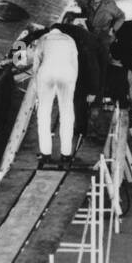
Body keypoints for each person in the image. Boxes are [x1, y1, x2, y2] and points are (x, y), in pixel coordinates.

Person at [27, 27, 79, 169]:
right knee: (67, 113)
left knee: (43, 113)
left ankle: (45, 154)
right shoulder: (69, 39)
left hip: (46, 73)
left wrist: (36, 85)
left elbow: (36, 63)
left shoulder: (43, 39)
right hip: (66, 74)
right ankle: (66, 154)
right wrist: (72, 82)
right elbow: (75, 62)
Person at [84, 0, 125, 104]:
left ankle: (98, 98)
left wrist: (113, 29)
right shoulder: (89, 3)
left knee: (101, 67)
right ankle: (90, 92)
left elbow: (121, 16)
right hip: (91, 35)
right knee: (90, 65)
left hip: (103, 38)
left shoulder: (109, 5)